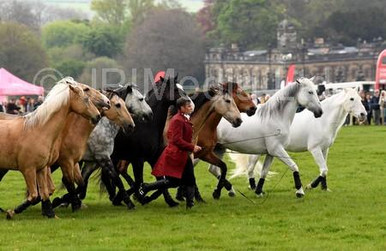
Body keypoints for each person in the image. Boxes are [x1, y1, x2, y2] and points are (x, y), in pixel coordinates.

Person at [138, 97, 202, 209]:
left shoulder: (183, 118)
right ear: (181, 108)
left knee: (180, 181)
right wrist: (192, 147)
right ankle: (147, 187)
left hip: (182, 154)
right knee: (180, 180)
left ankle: (190, 204)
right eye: (188, 106)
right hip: (177, 155)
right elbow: (176, 140)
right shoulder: (177, 120)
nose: (190, 107)